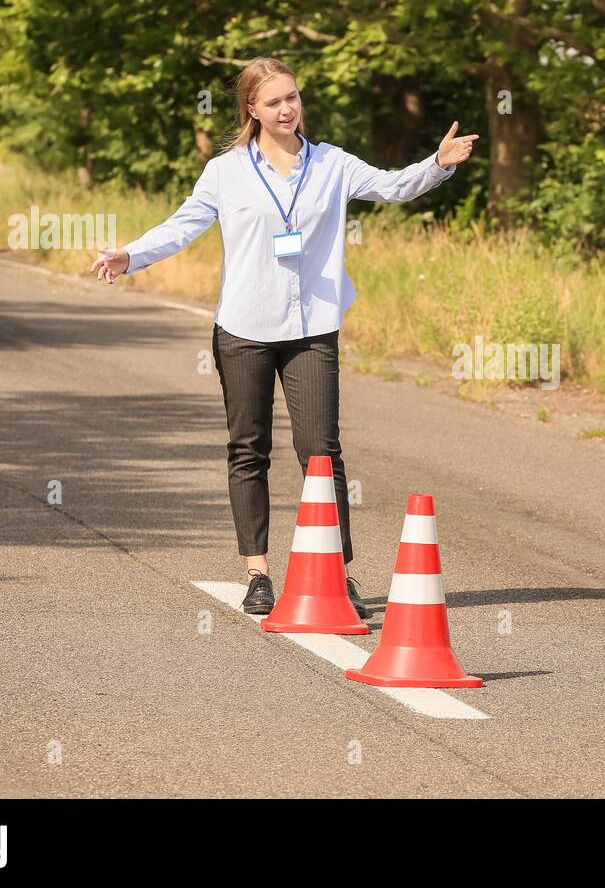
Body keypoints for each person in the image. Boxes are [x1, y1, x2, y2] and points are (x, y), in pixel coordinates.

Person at [88, 57, 477, 615]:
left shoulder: (332, 164)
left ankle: (334, 571)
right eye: (273, 102)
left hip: (312, 327)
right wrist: (131, 255)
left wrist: (437, 164)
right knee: (249, 449)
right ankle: (258, 572)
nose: (287, 108)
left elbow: (393, 187)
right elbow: (183, 226)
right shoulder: (225, 172)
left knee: (321, 452)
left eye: (293, 97)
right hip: (244, 326)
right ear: (252, 110)